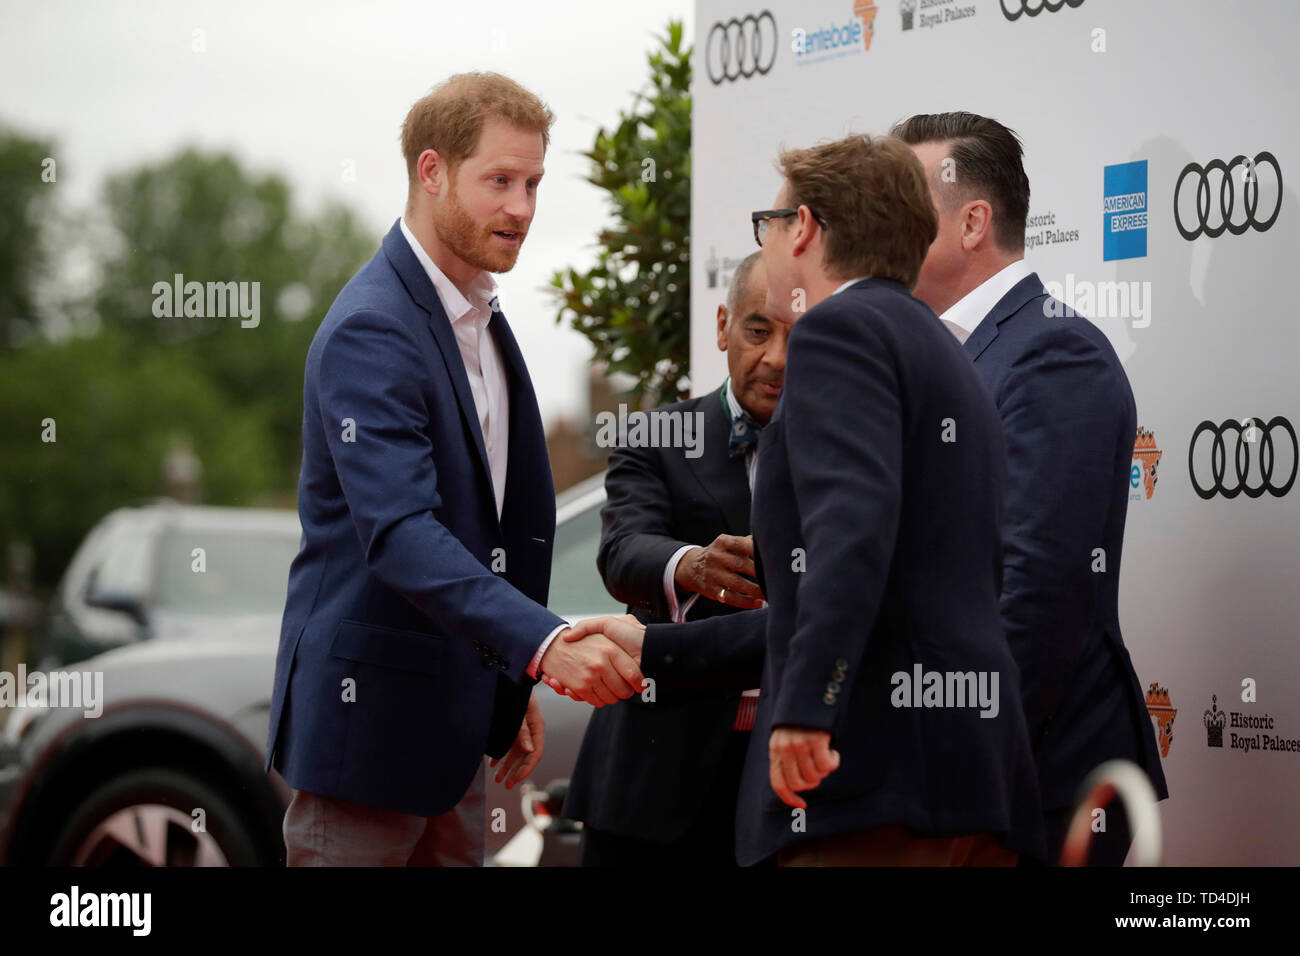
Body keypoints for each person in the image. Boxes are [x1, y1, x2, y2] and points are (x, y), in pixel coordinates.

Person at [563, 133, 1044, 866]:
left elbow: (852, 535)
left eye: (772, 224)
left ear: (807, 229)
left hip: (868, 779)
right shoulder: (943, 349)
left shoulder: (839, 330)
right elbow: (876, 589)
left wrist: (807, 707)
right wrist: (658, 644)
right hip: (966, 775)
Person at [266, 72, 643, 866]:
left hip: (457, 735)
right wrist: (543, 644)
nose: (522, 208)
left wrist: (506, 685)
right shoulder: (373, 327)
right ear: (431, 171)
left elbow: (493, 527)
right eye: (499, 181)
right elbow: (402, 535)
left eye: (534, 183)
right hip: (365, 741)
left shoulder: (479, 318)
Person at [892, 111, 1168, 865]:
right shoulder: (946, 356)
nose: (880, 227)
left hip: (1035, 791)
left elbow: (1038, 594)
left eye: (901, 203)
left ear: (972, 221)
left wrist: (943, 762)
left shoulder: (1051, 351)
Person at [564, 252, 788, 866]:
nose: (776, 358)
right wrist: (689, 563)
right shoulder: (653, 434)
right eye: (758, 330)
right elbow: (622, 550)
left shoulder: (851, 447)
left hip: (798, 781)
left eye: (798, 334)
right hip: (655, 779)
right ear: (722, 326)